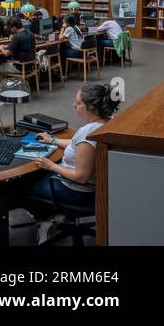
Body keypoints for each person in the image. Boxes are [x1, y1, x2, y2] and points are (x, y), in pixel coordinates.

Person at [27, 83, 119, 233]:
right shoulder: (109, 122)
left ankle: (45, 223)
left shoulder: (87, 132)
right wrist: (52, 140)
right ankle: (57, 216)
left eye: (78, 103)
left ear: (91, 108)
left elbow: (81, 176)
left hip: (76, 192)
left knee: (22, 185)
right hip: (96, 188)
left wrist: (52, 166)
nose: (73, 105)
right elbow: (80, 146)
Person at [0, 16, 34, 88]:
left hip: (19, 67)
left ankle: (7, 86)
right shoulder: (30, 33)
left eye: (10, 27)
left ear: (14, 27)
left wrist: (1, 48)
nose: (10, 29)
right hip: (30, 66)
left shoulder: (17, 37)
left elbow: (6, 53)